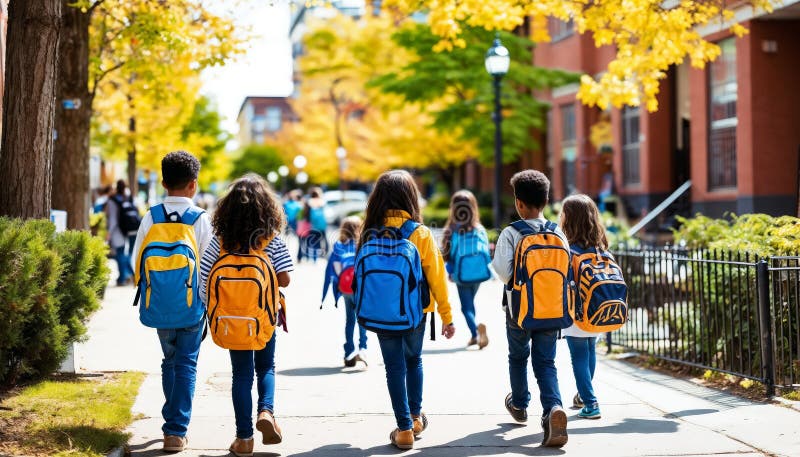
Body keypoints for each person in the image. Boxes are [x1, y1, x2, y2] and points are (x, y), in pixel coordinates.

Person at [357, 170, 455, 450]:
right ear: (410, 198)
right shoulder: (420, 233)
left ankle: (403, 430)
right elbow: (437, 278)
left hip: (379, 314)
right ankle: (415, 417)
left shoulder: (369, 232)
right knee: (414, 361)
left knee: (393, 368)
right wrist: (447, 317)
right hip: (416, 313)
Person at [199, 174, 294, 456]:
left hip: (231, 320)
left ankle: (244, 439)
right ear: (267, 208)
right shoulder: (271, 240)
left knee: (241, 374)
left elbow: (205, 279)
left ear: (227, 210)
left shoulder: (220, 242)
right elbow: (286, 279)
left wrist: (212, 311)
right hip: (264, 316)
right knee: (266, 367)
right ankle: (266, 411)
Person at [131, 151, 213, 452]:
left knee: (169, 361)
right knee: (187, 364)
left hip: (159, 303)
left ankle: (171, 422)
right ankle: (176, 431)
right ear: (194, 184)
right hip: (192, 304)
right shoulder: (201, 219)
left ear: (164, 183)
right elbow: (208, 262)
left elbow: (136, 258)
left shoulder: (151, 216)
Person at [491, 169, 569, 447]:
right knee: (546, 362)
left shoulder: (512, 233)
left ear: (519, 203)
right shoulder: (558, 232)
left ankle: (520, 404)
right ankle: (553, 409)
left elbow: (502, 271)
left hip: (519, 309)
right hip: (552, 309)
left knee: (518, 356)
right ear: (546, 202)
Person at [560, 194, 609, 420]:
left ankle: (590, 403)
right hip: (597, 312)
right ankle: (583, 395)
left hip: (576, 313)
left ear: (568, 219)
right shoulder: (600, 248)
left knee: (579, 356)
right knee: (589, 352)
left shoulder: (568, 250)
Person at [441, 190, 492, 349]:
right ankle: (474, 335)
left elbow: (450, 254)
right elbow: (487, 251)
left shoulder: (453, 230)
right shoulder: (480, 229)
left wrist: (449, 272)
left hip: (461, 274)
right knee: (470, 304)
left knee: (466, 307)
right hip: (479, 273)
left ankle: (476, 330)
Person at [322, 216, 367, 367]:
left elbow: (335, 270)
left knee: (349, 321)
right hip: (360, 288)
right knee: (363, 320)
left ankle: (349, 352)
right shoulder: (362, 245)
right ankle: (363, 348)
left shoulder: (338, 246)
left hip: (346, 289)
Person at [106, 180, 136, 286]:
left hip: (117, 231)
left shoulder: (112, 200)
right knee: (123, 254)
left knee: (120, 254)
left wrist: (109, 233)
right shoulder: (127, 197)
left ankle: (124, 277)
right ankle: (127, 276)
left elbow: (113, 219)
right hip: (128, 230)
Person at [301, 187, 327, 263]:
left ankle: (312, 257)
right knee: (319, 241)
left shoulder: (309, 202)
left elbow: (305, 215)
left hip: (312, 225)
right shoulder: (322, 202)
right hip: (321, 225)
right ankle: (316, 257)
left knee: (312, 241)